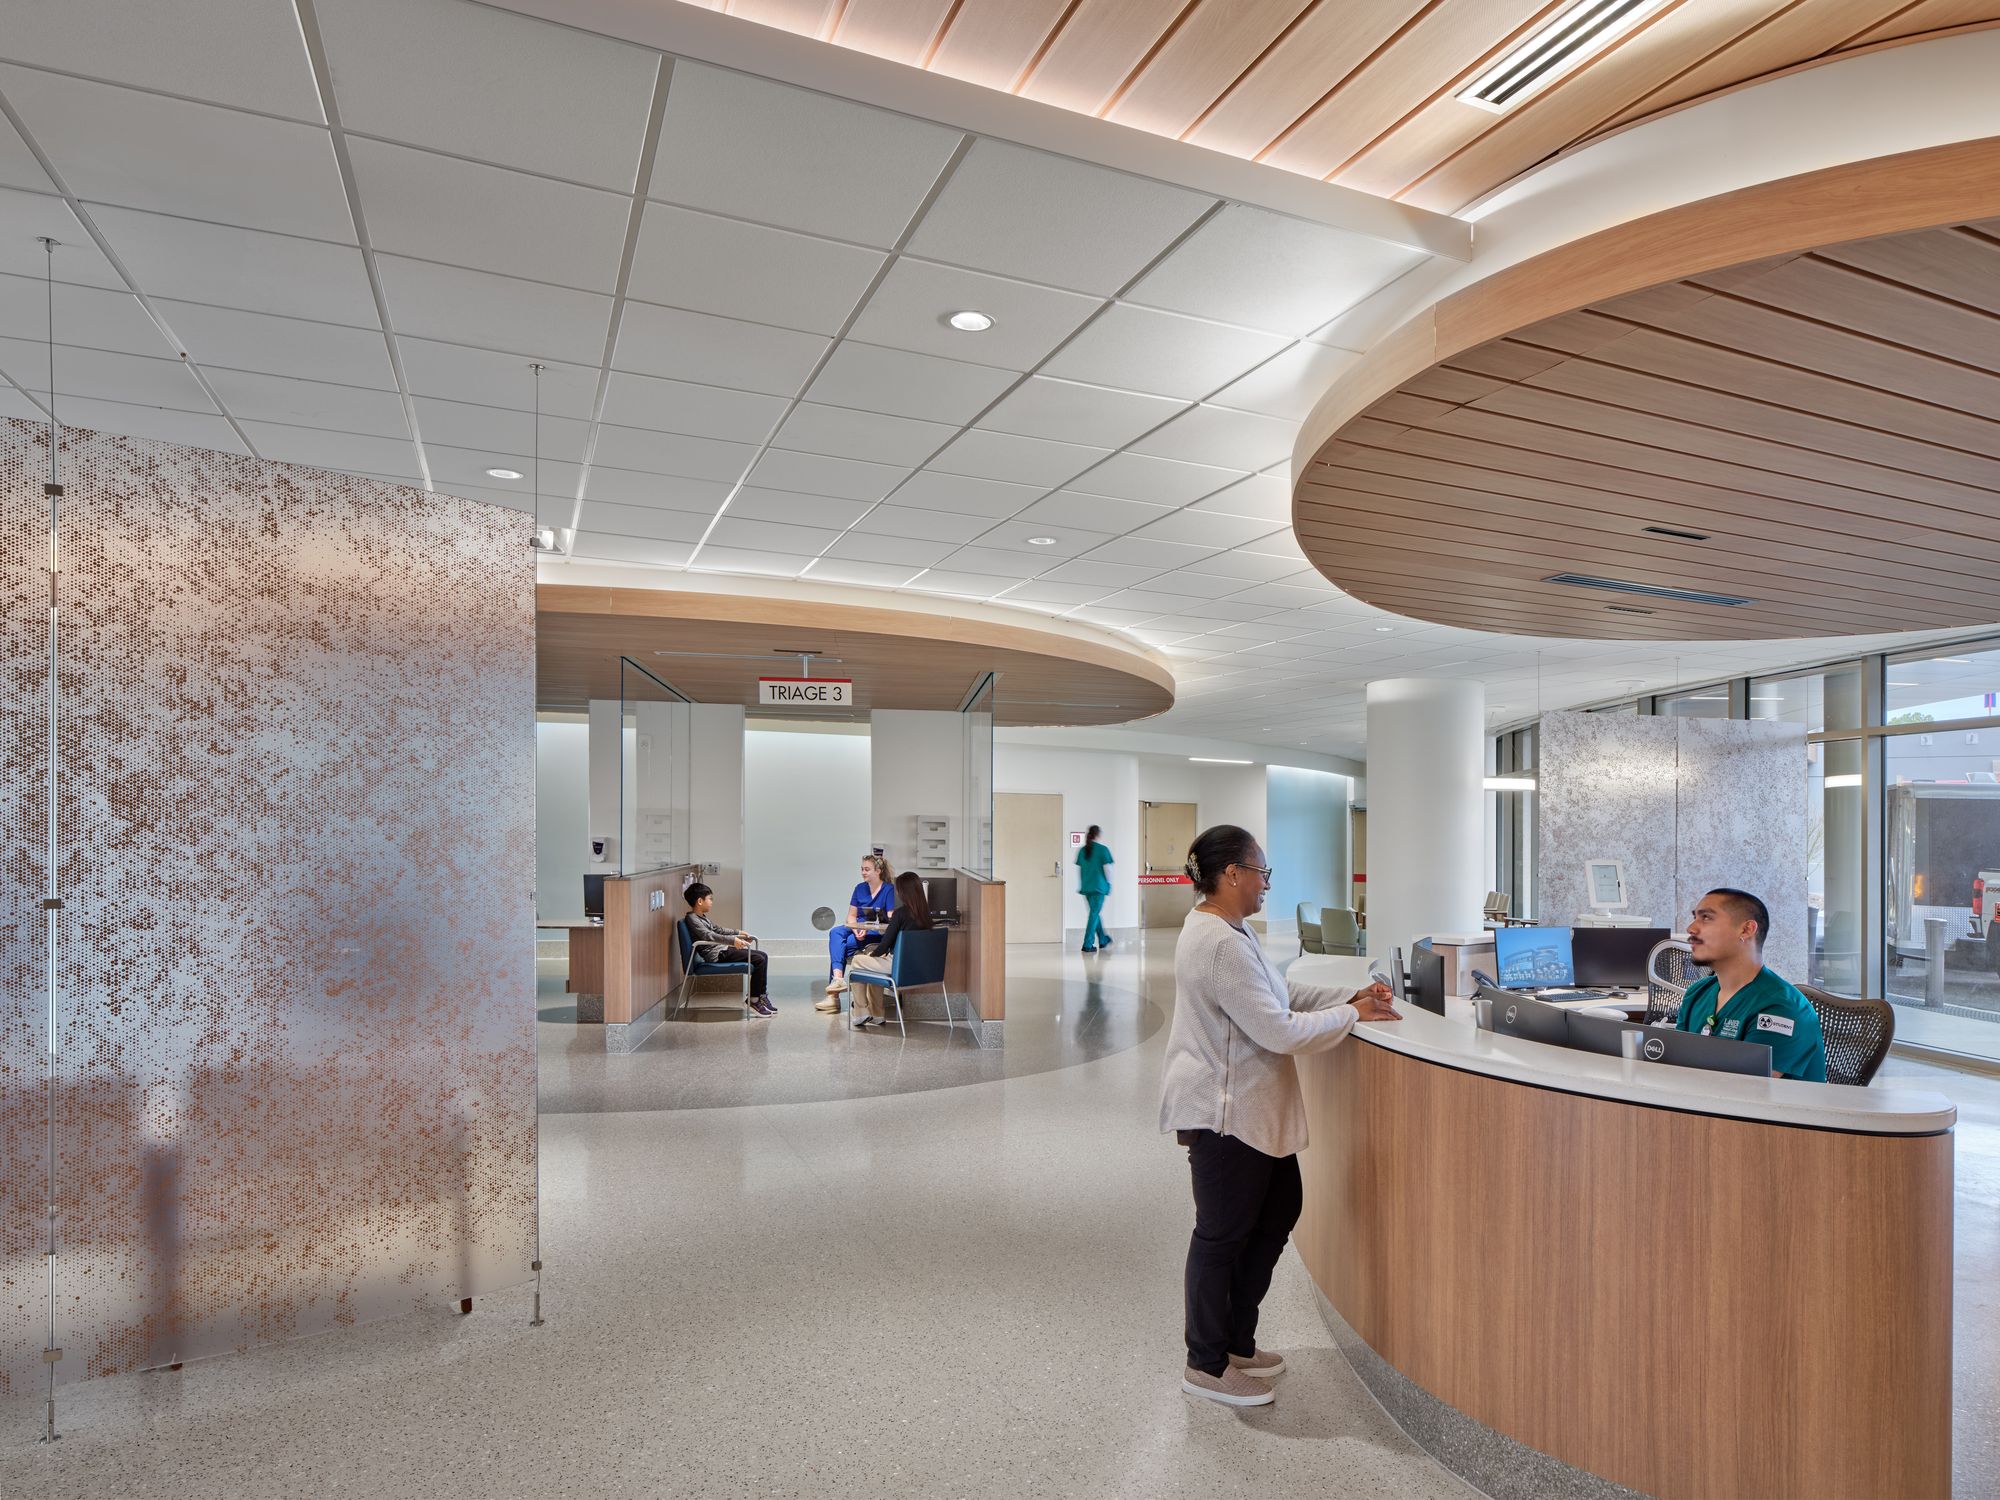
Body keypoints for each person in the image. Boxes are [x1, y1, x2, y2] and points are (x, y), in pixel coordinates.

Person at [1158, 823, 1401, 1409]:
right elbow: (1278, 1030)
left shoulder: (1232, 930)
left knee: (1276, 1212)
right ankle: (1205, 1363)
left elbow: (1278, 996)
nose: (1267, 883)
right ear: (1232, 874)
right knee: (1221, 1236)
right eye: (1262, 872)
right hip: (1226, 1115)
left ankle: (1235, 1341)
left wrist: (1350, 998)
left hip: (1253, 1112)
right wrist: (1353, 1016)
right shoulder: (1217, 941)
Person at [1676, 887, 1826, 1081]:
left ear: (1746, 930)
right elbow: (1676, 1063)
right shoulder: (1697, 993)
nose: (1691, 928)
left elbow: (1745, 1088)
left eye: (1706, 918)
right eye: (1695, 917)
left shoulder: (1781, 1008)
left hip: (1750, 1101)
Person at [845, 871, 935, 1029]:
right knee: (872, 967)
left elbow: (884, 945)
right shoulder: (926, 915)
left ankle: (861, 1012)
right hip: (920, 969)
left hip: (899, 967)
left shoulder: (900, 914)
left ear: (903, 892)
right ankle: (877, 1015)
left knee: (858, 961)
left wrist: (873, 955)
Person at [819, 853, 897, 1010]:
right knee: (835, 932)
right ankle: (838, 980)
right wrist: (856, 929)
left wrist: (870, 927)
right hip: (858, 928)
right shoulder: (859, 888)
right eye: (862, 869)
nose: (863, 872)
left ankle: (833, 997)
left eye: (867, 869)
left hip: (875, 933)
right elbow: (851, 916)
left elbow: (891, 916)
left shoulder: (888, 889)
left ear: (878, 871)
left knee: (841, 947)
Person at [683, 882, 773, 1018]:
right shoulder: (692, 919)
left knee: (763, 956)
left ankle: (761, 996)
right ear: (700, 901)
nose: (712, 902)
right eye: (710, 899)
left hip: (722, 950)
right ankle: (753, 1000)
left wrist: (738, 933)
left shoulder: (702, 917)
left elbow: (718, 929)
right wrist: (733, 941)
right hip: (717, 954)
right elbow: (709, 935)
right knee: (758, 959)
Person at [1076, 825, 1114, 953]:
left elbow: (1080, 870)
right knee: (1094, 914)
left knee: (1094, 913)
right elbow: (1108, 869)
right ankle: (1087, 944)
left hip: (1087, 887)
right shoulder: (1103, 850)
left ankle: (1103, 939)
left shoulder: (1082, 851)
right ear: (1098, 834)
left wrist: (1083, 884)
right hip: (1099, 888)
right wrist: (1109, 885)